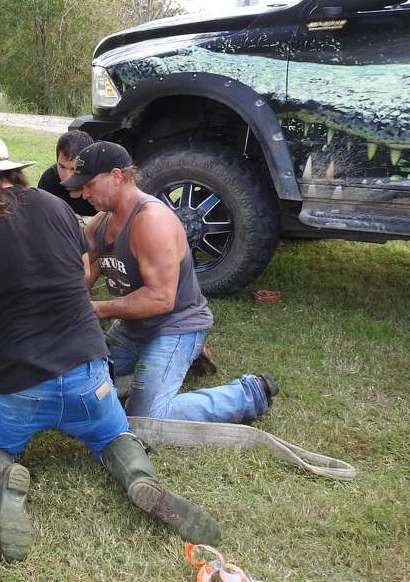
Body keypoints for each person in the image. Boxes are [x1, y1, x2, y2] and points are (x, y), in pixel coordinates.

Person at [0, 131, 220, 562]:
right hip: (88, 374)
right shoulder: (57, 207)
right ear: (12, 173)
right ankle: (139, 480)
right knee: (116, 434)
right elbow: (77, 276)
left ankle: (4, 485)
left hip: (18, 387)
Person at [62, 141, 278, 423]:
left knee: (143, 418)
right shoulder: (100, 223)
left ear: (116, 176)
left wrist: (99, 309)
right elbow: (81, 278)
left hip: (174, 328)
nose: (83, 193)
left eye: (89, 184)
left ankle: (248, 393)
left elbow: (162, 298)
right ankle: (166, 370)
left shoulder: (152, 221)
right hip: (132, 330)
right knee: (81, 390)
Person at [37, 130, 96, 216]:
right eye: (62, 167)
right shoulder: (48, 181)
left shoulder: (100, 184)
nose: (67, 177)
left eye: (74, 169)